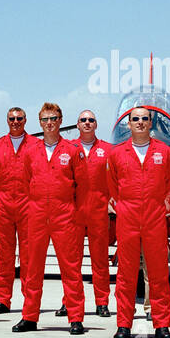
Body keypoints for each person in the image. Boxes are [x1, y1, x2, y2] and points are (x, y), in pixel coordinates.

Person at [12, 104, 88, 335]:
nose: (49, 123)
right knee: (32, 268)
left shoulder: (72, 151)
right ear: (40, 122)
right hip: (36, 216)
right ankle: (30, 316)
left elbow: (83, 187)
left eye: (54, 118)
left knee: (71, 268)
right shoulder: (30, 151)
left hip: (64, 215)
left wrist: (75, 214)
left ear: (60, 120)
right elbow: (25, 183)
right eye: (45, 119)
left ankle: (75, 317)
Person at [107, 108, 170, 338]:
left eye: (144, 119)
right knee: (125, 274)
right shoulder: (117, 154)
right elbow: (112, 186)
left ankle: (162, 324)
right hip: (127, 216)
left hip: (154, 217)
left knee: (158, 273)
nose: (140, 123)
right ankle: (124, 324)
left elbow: (167, 182)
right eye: (135, 119)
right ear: (128, 123)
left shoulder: (163, 152)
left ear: (150, 123)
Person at [0, 107, 30, 315]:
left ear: (25, 120)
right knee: (4, 254)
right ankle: (2, 300)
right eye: (12, 119)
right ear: (7, 121)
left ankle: (30, 299)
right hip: (3, 203)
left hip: (27, 203)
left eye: (19, 118)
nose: (16, 122)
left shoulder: (35, 146)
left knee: (29, 255)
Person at [74, 109, 113, 317]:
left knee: (100, 260)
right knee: (72, 261)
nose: (87, 123)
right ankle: (69, 302)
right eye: (83, 120)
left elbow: (115, 180)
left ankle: (102, 301)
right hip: (74, 213)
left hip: (98, 211)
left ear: (96, 125)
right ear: (78, 125)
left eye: (91, 120)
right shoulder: (68, 148)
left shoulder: (108, 150)